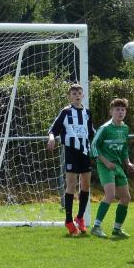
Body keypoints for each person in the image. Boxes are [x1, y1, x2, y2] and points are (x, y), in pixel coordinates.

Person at [47, 83, 96, 237]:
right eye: (73, 93)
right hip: (71, 152)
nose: (76, 95)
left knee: (86, 184)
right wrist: (51, 139)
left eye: (79, 93)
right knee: (71, 185)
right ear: (69, 96)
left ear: (83, 96)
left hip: (85, 152)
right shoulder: (65, 112)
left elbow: (92, 132)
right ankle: (68, 220)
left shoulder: (87, 113)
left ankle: (80, 217)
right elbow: (53, 130)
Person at [89, 98, 134, 238]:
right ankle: (96, 227)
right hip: (105, 165)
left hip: (117, 166)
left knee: (126, 197)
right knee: (110, 195)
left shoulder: (125, 128)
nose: (120, 112)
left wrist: (127, 163)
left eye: (123, 109)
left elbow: (124, 149)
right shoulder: (105, 128)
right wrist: (105, 162)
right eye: (117, 109)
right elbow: (93, 146)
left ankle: (117, 229)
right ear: (111, 111)